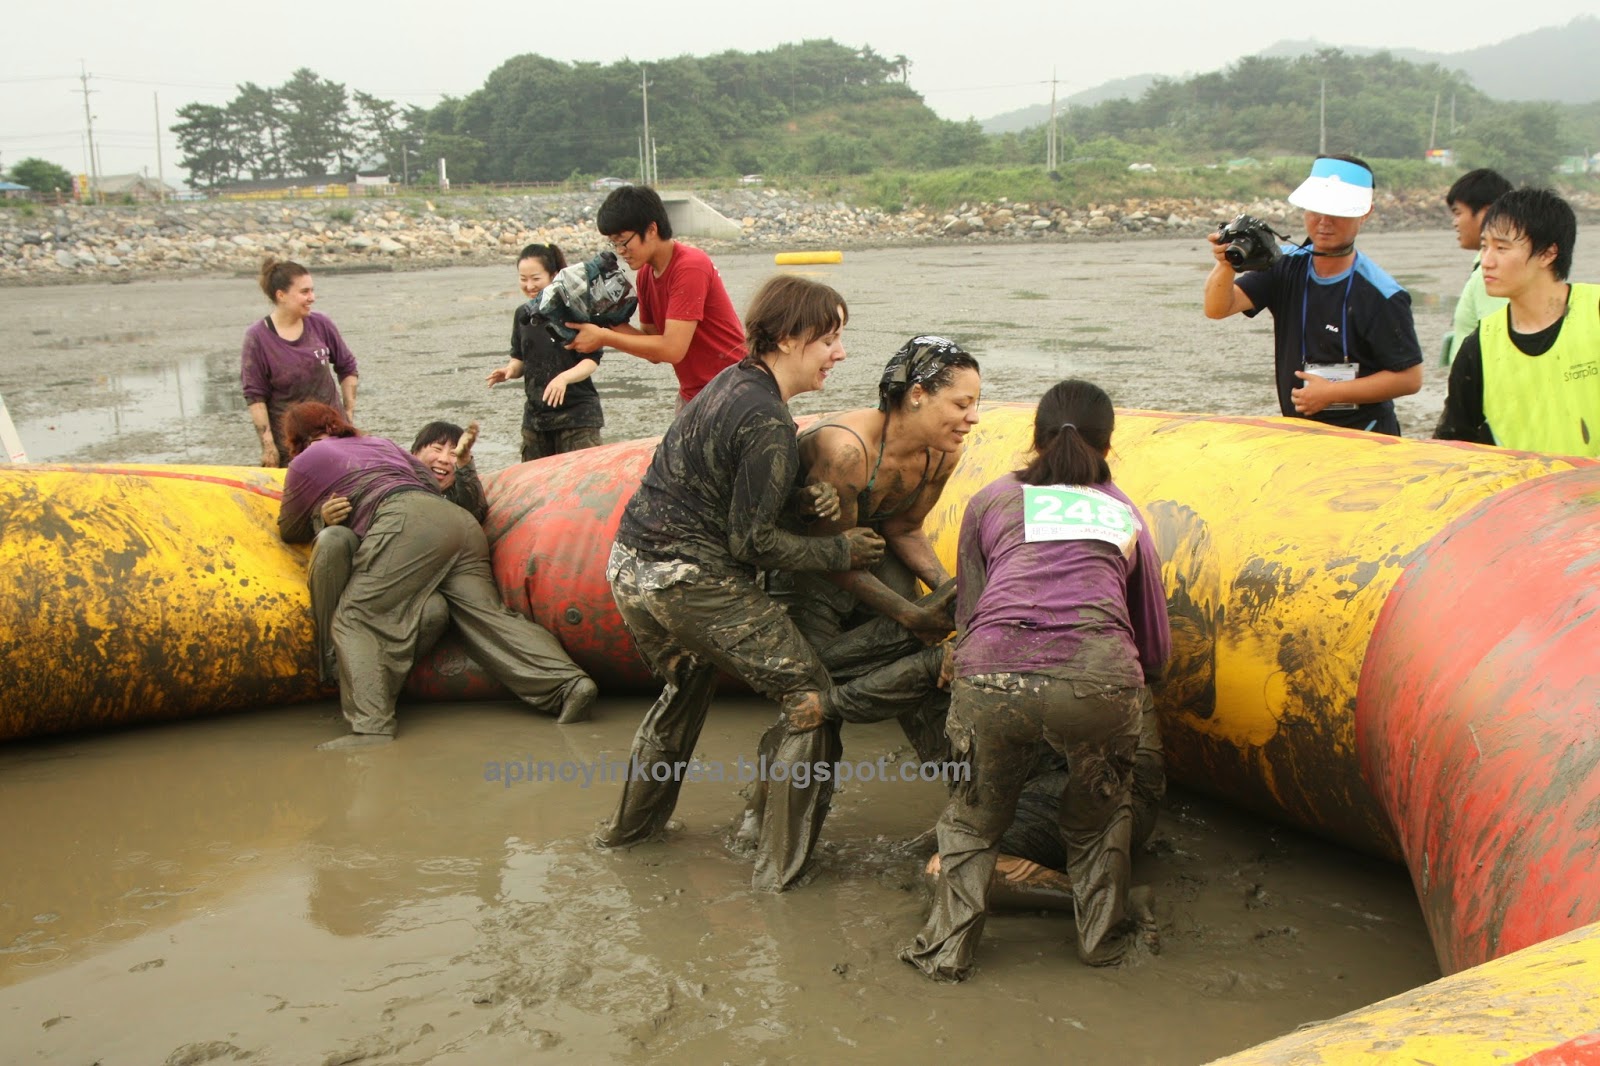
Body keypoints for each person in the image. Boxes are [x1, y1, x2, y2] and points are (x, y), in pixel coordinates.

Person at [596, 274, 885, 858]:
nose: (840, 352)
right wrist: (840, 550)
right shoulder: (769, 421)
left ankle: (629, 835)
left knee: (688, 683)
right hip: (687, 579)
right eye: (828, 338)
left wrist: (802, 500)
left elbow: (730, 490)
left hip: (629, 569)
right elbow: (752, 541)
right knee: (811, 692)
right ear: (784, 338)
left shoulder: (731, 382)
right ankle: (781, 860)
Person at [901, 379, 1171, 980]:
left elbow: (970, 615)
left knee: (974, 821)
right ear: (1108, 446)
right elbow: (1153, 645)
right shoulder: (1125, 512)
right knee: (1097, 823)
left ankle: (945, 952)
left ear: (1035, 439)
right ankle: (1100, 942)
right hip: (1100, 682)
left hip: (992, 676)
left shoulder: (991, 500)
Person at [742, 336, 983, 891]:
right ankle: (765, 806)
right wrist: (910, 614)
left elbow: (902, 528)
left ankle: (970, 809)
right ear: (917, 395)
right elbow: (831, 558)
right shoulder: (846, 450)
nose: (972, 418)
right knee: (813, 681)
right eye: (961, 404)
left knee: (928, 670)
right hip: (812, 567)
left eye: (976, 404)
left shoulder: (943, 452)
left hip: (874, 552)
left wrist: (948, 592)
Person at [276, 402, 597, 750]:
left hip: (406, 523)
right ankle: (568, 684)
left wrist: (320, 517)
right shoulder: (382, 444)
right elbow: (430, 484)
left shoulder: (307, 459)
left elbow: (289, 528)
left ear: (297, 440)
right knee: (488, 616)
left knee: (357, 618)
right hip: (458, 524)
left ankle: (370, 729)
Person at [1203, 155, 1423, 436]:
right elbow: (1217, 308)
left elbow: (1410, 378)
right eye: (1316, 210)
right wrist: (1225, 265)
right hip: (1301, 435)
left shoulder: (1382, 293)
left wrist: (1333, 393)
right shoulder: (1283, 266)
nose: (1324, 222)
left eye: (1339, 212)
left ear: (1365, 212)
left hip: (1367, 439)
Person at [306, 420, 487, 687]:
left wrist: (465, 464)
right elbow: (321, 514)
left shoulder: (452, 503)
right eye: (437, 448)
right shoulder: (385, 479)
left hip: (409, 591)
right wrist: (323, 517)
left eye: (453, 454)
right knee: (333, 538)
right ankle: (332, 661)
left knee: (435, 611)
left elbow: (475, 511)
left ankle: (376, 681)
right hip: (363, 582)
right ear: (412, 455)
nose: (444, 460)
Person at [1433, 188, 1600, 456]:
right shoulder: (1480, 346)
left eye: (1501, 248)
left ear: (1548, 253)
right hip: (1524, 495)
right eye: (1484, 246)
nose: (1486, 262)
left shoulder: (1595, 312)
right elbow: (1454, 443)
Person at [564, 185, 745, 407]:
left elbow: (672, 349)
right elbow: (654, 351)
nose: (619, 250)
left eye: (622, 241)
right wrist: (608, 321)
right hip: (693, 396)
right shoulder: (645, 275)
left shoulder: (690, 266)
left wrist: (603, 338)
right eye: (613, 243)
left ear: (651, 230)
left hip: (735, 391)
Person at [487, 243, 605, 461]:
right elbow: (520, 358)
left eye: (535, 278)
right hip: (536, 420)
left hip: (577, 417)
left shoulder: (575, 310)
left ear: (553, 275)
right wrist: (509, 371)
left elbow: (591, 361)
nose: (529, 285)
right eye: (523, 279)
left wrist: (564, 378)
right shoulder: (522, 315)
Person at [242, 257, 360, 466]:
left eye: (312, 290)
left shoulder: (320, 324)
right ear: (281, 295)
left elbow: (347, 367)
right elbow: (255, 396)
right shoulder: (258, 337)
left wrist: (348, 413)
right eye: (304, 292)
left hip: (334, 437)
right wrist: (268, 447)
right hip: (293, 444)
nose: (312, 297)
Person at [1442, 169, 1513, 366]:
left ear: (1488, 212)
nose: (1454, 223)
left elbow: (1498, 346)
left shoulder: (1491, 273)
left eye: (1458, 213)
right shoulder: (1493, 266)